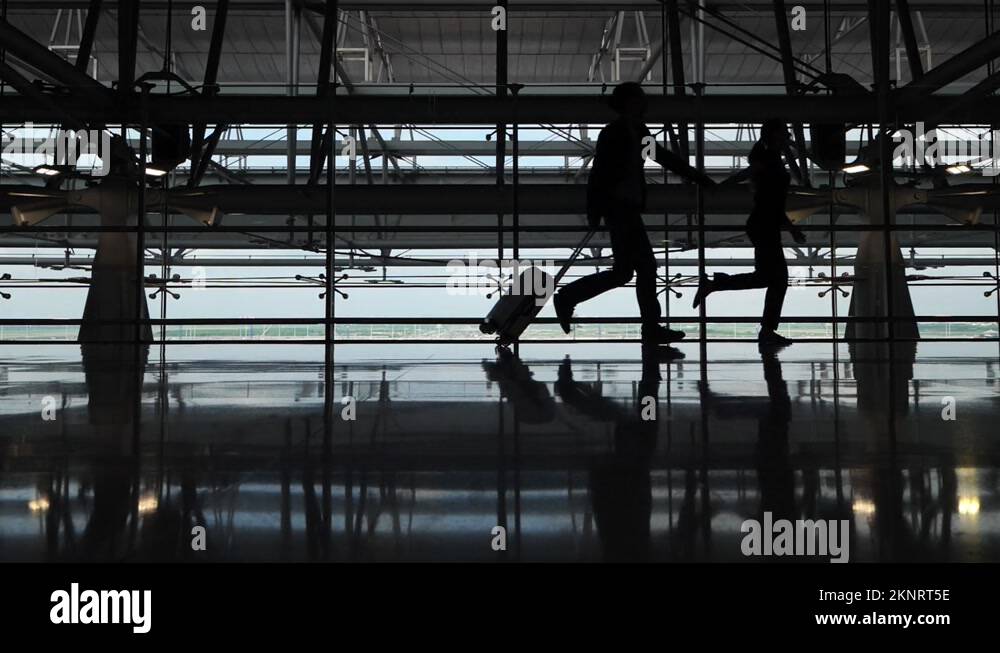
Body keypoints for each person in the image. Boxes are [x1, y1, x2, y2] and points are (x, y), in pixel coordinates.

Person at [553, 82, 716, 344]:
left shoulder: (632, 131)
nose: (645, 103)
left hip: (622, 207)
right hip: (620, 208)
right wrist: (700, 179)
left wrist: (699, 178)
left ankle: (570, 297)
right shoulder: (618, 132)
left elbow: (654, 159)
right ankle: (648, 326)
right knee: (644, 268)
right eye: (640, 99)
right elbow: (604, 173)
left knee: (625, 272)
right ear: (630, 102)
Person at [692, 118, 806, 348]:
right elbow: (767, 196)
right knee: (777, 279)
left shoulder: (768, 158)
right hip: (765, 224)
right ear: (774, 136)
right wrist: (720, 186)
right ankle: (764, 328)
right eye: (784, 132)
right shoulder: (768, 159)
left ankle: (718, 285)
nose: (787, 137)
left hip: (765, 223)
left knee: (769, 278)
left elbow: (771, 201)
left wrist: (790, 228)